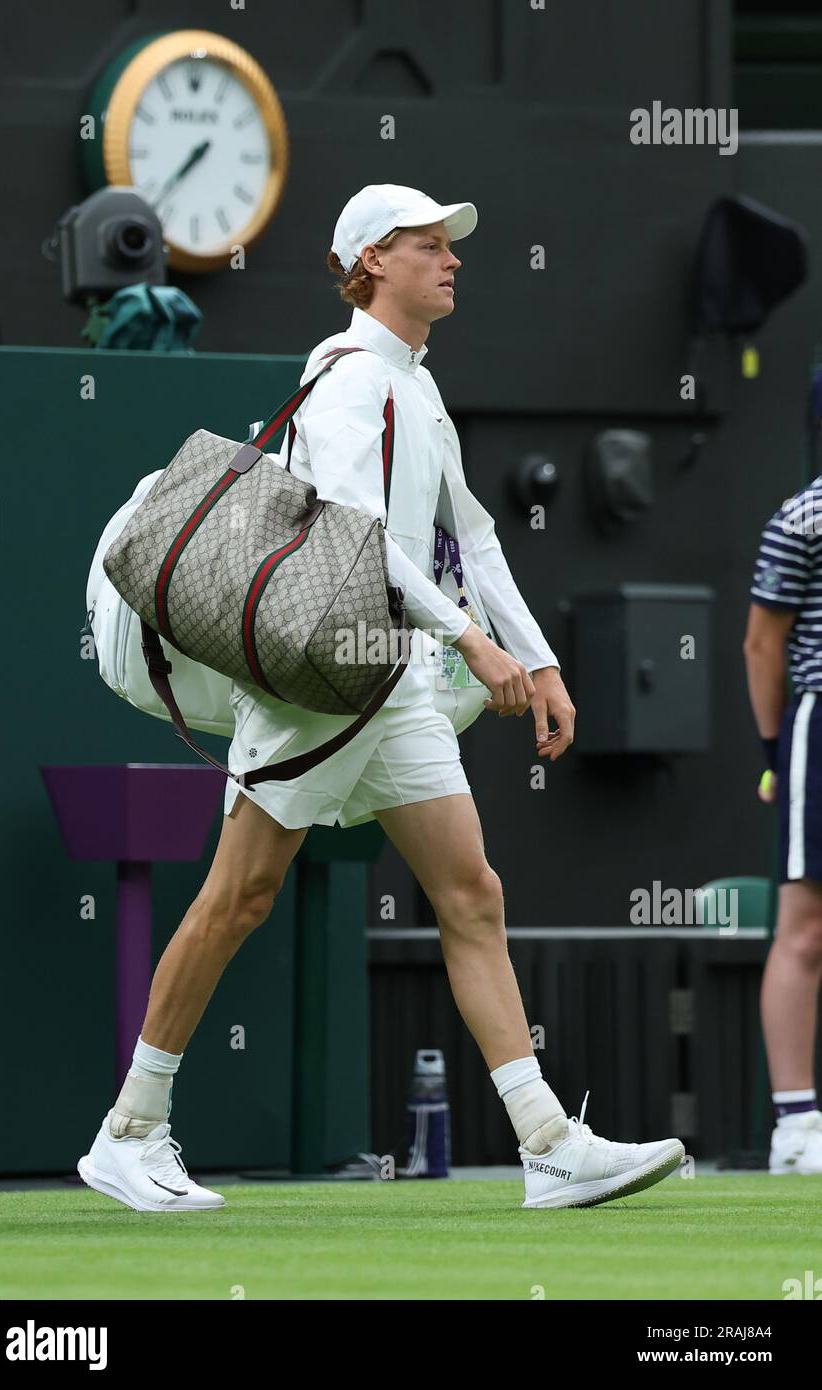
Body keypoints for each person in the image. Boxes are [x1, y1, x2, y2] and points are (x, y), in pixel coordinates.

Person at [79, 183, 684, 1212]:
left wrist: (536, 660)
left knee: (471, 894)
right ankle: (129, 1132)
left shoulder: (416, 384)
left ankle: (547, 1144)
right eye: (427, 245)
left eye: (449, 245)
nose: (451, 259)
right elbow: (356, 536)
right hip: (318, 685)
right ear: (370, 262)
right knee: (239, 897)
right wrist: (472, 644)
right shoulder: (352, 378)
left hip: (390, 679)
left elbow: (472, 538)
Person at [745, 470, 822, 1174]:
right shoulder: (804, 516)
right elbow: (763, 645)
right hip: (817, 722)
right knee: (807, 926)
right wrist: (776, 753)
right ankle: (796, 1130)